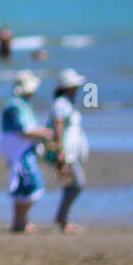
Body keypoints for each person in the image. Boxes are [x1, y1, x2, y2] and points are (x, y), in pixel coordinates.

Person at [0, 70, 54, 233]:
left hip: (18, 148)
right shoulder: (17, 105)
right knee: (31, 183)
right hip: (19, 149)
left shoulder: (19, 104)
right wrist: (46, 133)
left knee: (22, 184)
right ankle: (20, 221)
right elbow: (24, 130)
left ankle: (20, 222)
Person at [47, 68, 89, 233]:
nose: (77, 88)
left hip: (73, 150)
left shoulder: (69, 102)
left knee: (70, 184)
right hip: (67, 151)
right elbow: (59, 127)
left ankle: (64, 219)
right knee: (78, 184)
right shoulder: (61, 104)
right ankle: (62, 217)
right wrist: (61, 153)